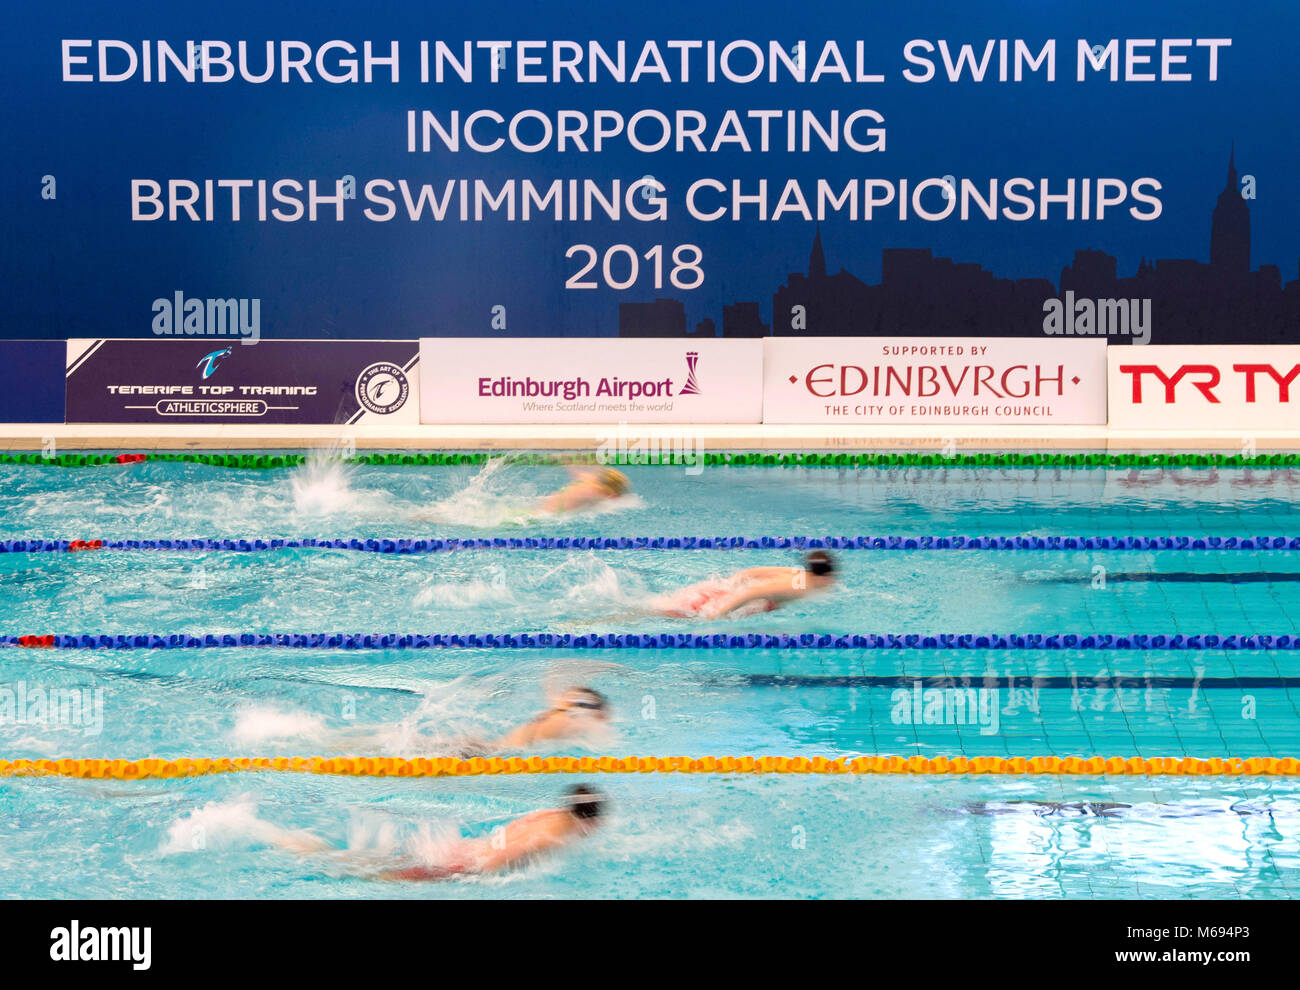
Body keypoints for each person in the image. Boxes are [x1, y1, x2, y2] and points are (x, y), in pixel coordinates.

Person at [261, 785, 608, 881]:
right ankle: (295, 848)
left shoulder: (550, 814)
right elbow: (497, 860)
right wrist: (466, 874)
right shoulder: (553, 837)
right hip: (463, 861)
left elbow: (510, 830)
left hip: (463, 846)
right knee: (370, 874)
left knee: (366, 861)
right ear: (588, 821)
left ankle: (296, 843)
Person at [658, 550, 838, 619]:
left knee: (658, 610)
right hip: (712, 604)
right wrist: (714, 616)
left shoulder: (798, 574)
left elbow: (748, 574)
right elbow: (751, 593)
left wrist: (728, 585)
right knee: (656, 615)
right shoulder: (798, 588)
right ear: (826, 576)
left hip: (713, 593)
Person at [538, 466, 630, 514]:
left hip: (546, 505)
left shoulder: (588, 478)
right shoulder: (595, 491)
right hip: (549, 514)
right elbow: (613, 497)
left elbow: (575, 471)